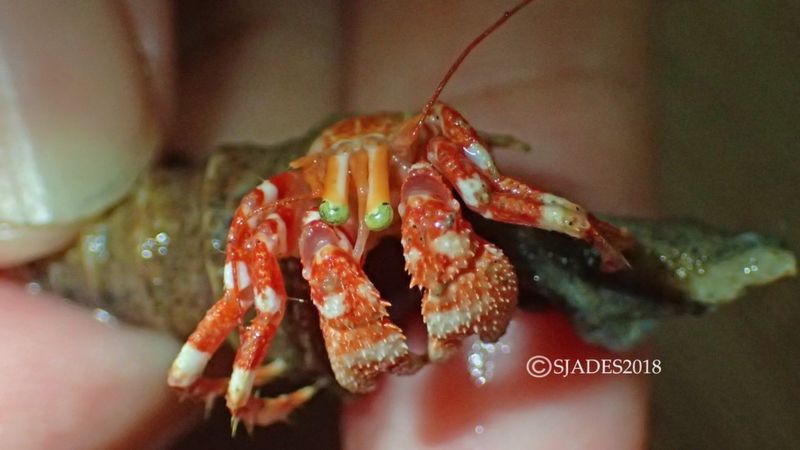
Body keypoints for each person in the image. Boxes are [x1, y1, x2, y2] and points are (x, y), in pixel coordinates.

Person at [0, 1, 654, 448]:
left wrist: (571, 223)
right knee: (268, 290)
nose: (368, 205)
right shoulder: (290, 208)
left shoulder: (419, 165)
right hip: (232, 217)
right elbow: (251, 298)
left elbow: (488, 190)